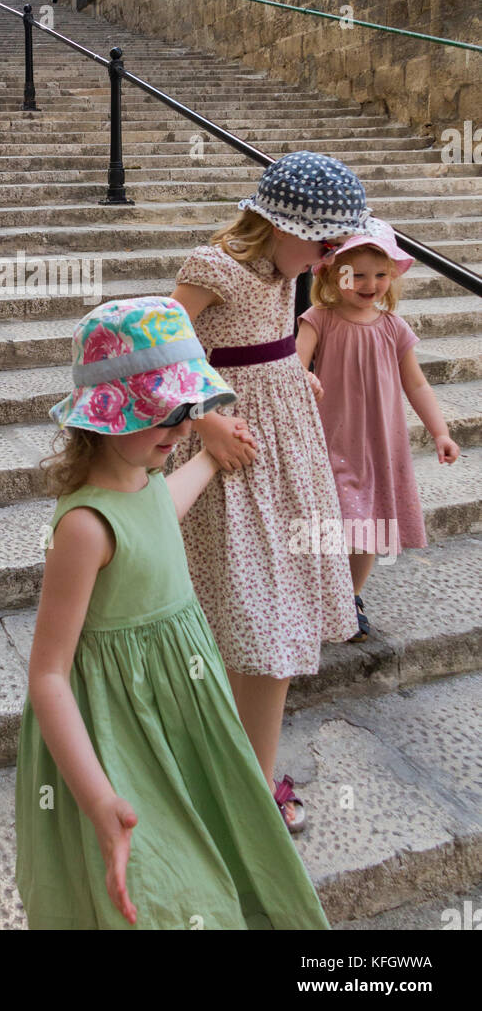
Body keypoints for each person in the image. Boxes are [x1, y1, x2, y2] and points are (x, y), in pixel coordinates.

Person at [15, 295, 331, 930]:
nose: (184, 427)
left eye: (189, 410)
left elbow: (165, 509)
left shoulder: (145, 479)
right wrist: (97, 796)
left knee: (203, 846)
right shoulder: (83, 526)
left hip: (181, 700)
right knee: (153, 885)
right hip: (117, 722)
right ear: (105, 415)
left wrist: (214, 457)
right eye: (163, 413)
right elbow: (48, 675)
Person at [166, 151, 368, 832]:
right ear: (277, 223)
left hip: (286, 453)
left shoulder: (285, 269)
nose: (324, 260)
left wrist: (290, 369)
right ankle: (235, 778)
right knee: (249, 613)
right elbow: (161, 346)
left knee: (271, 617)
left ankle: (243, 773)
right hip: (233, 451)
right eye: (320, 243)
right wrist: (204, 418)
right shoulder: (213, 267)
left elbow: (265, 342)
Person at [296, 217, 460, 641]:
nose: (369, 284)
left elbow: (417, 383)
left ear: (393, 276)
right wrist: (303, 376)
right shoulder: (320, 318)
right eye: (357, 274)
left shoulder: (394, 328)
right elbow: (294, 363)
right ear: (333, 274)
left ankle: (350, 596)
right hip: (331, 438)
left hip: (379, 443)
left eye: (380, 274)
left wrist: (440, 431)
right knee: (330, 518)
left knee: (367, 524)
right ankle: (319, 590)